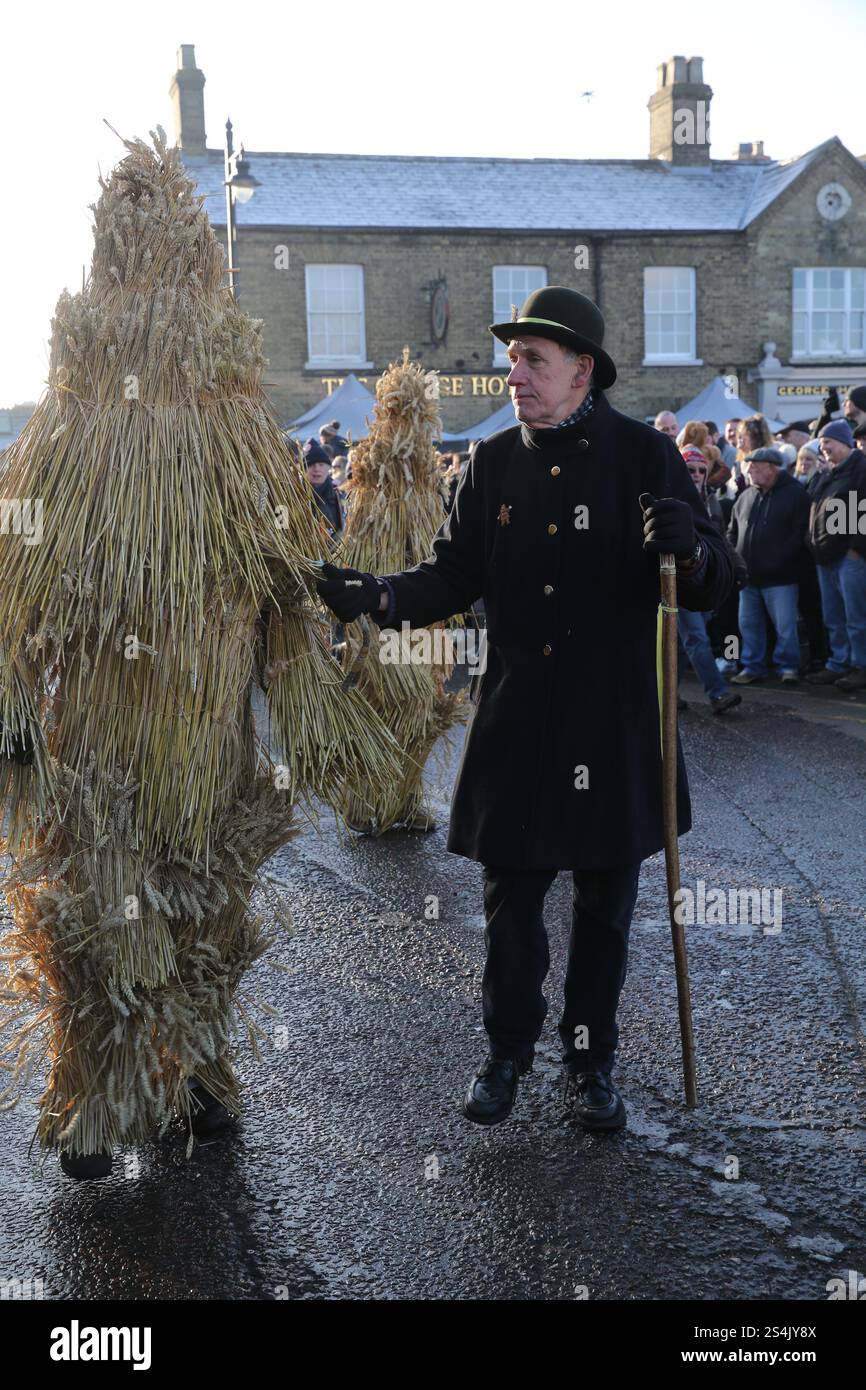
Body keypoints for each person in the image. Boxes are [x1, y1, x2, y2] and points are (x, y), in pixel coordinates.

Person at [315, 286, 733, 1133]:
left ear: (582, 370)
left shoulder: (643, 459)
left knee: (604, 911)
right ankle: (506, 1054)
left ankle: (590, 1065)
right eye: (512, 359)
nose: (516, 374)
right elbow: (453, 576)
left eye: (533, 360)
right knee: (512, 907)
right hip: (519, 722)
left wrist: (687, 553)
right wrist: (377, 599)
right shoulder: (493, 462)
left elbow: (718, 583)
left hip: (616, 723)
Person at [727, 447, 810, 685]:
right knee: (748, 625)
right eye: (749, 465)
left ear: (772, 468)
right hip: (748, 577)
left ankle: (789, 667)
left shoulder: (795, 494)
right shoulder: (745, 496)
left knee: (785, 627)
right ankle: (752, 666)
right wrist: (735, 560)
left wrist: (779, 560)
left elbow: (799, 535)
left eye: (756, 465)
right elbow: (732, 531)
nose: (750, 469)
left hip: (781, 577)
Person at [677, 446, 741, 714]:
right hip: (679, 580)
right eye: (690, 469)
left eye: (702, 470)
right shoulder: (673, 497)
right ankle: (717, 693)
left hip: (707, 581)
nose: (696, 475)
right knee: (696, 638)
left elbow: (721, 538)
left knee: (682, 643)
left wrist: (737, 567)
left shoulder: (711, 499)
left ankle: (665, 695)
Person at [805, 420, 866, 691]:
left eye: (827, 442)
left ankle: (860, 665)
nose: (823, 447)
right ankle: (839, 662)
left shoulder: (861, 469)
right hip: (825, 557)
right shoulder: (829, 473)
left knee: (855, 617)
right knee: (834, 616)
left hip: (848, 557)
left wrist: (856, 548)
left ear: (844, 442)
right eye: (821, 443)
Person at [303, 437, 343, 534]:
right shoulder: (289, 494)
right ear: (303, 469)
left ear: (328, 467)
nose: (316, 469)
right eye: (311, 465)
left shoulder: (339, 493)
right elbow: (280, 527)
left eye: (321, 464)